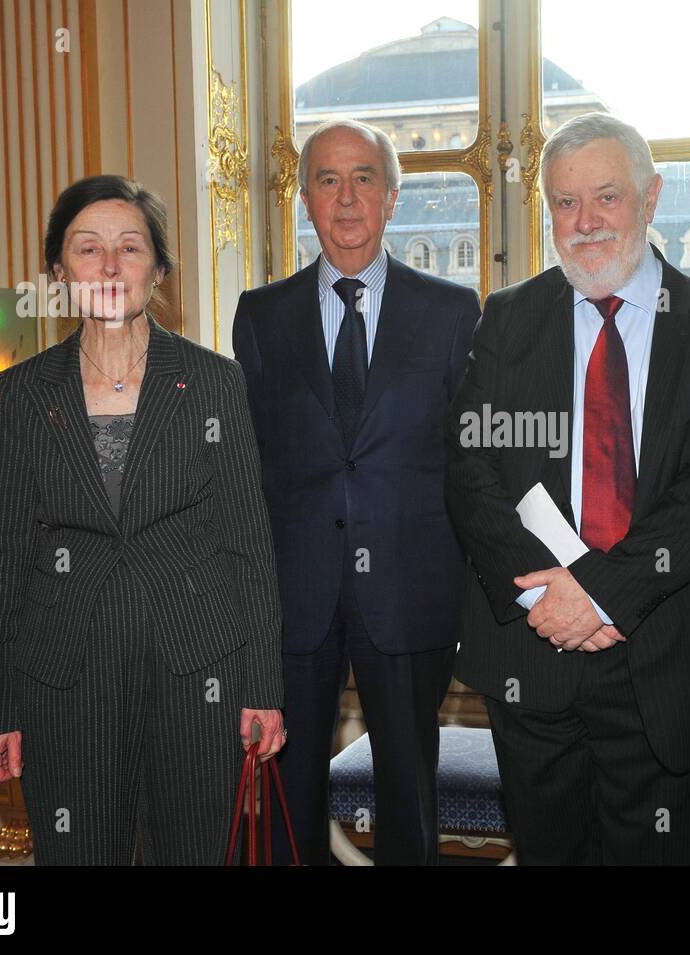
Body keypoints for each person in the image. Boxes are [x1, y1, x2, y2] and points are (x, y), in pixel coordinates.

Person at [445, 112, 690, 865]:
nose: (584, 223)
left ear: (650, 199)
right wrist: (547, 600)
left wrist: (602, 594)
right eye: (564, 202)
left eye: (606, 197)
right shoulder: (509, 318)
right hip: (534, 646)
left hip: (664, 663)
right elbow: (471, 468)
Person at [0, 175, 285, 865]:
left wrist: (263, 687)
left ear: (160, 269)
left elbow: (249, 547)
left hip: (198, 670)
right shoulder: (21, 394)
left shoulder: (214, 382)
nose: (110, 267)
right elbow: (3, 566)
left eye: (130, 248)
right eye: (88, 249)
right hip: (65, 680)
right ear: (59, 272)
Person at [232, 119, 480, 865]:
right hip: (294, 597)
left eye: (364, 178)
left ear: (393, 197)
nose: (347, 199)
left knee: (409, 793)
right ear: (304, 197)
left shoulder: (451, 312)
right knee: (289, 792)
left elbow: (470, 462)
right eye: (329, 180)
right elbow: (248, 467)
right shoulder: (261, 315)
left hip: (409, 594)